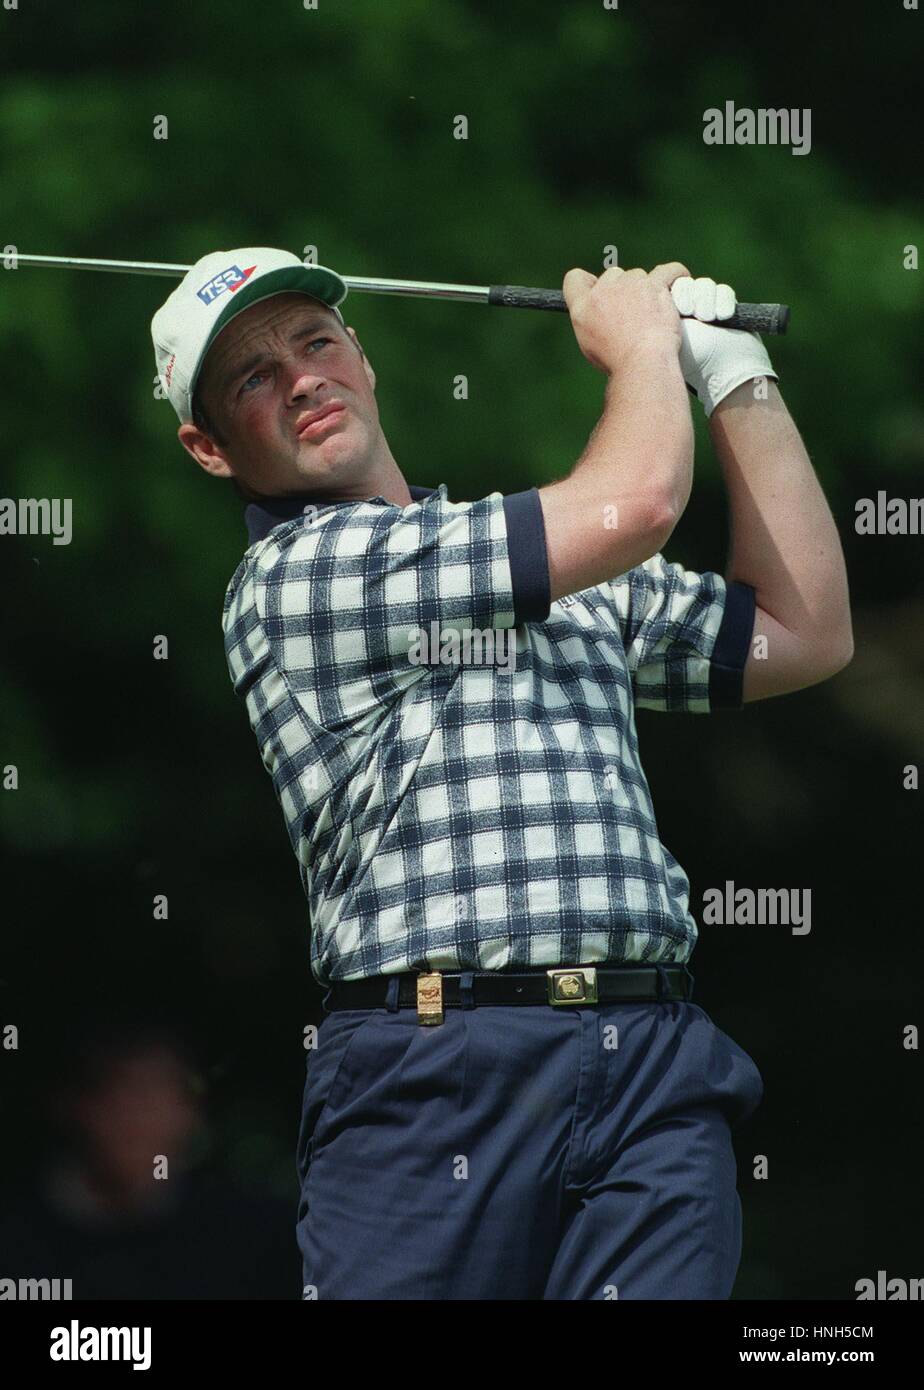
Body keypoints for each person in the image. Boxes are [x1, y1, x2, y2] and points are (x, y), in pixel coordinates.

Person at [150, 246, 853, 1299]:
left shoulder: (539, 564)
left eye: (315, 341)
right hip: (434, 1079)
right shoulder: (293, 579)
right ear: (209, 447)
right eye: (253, 377)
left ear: (364, 360)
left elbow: (805, 633)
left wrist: (737, 377)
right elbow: (643, 502)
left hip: (651, 1065)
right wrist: (644, 352)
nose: (302, 378)